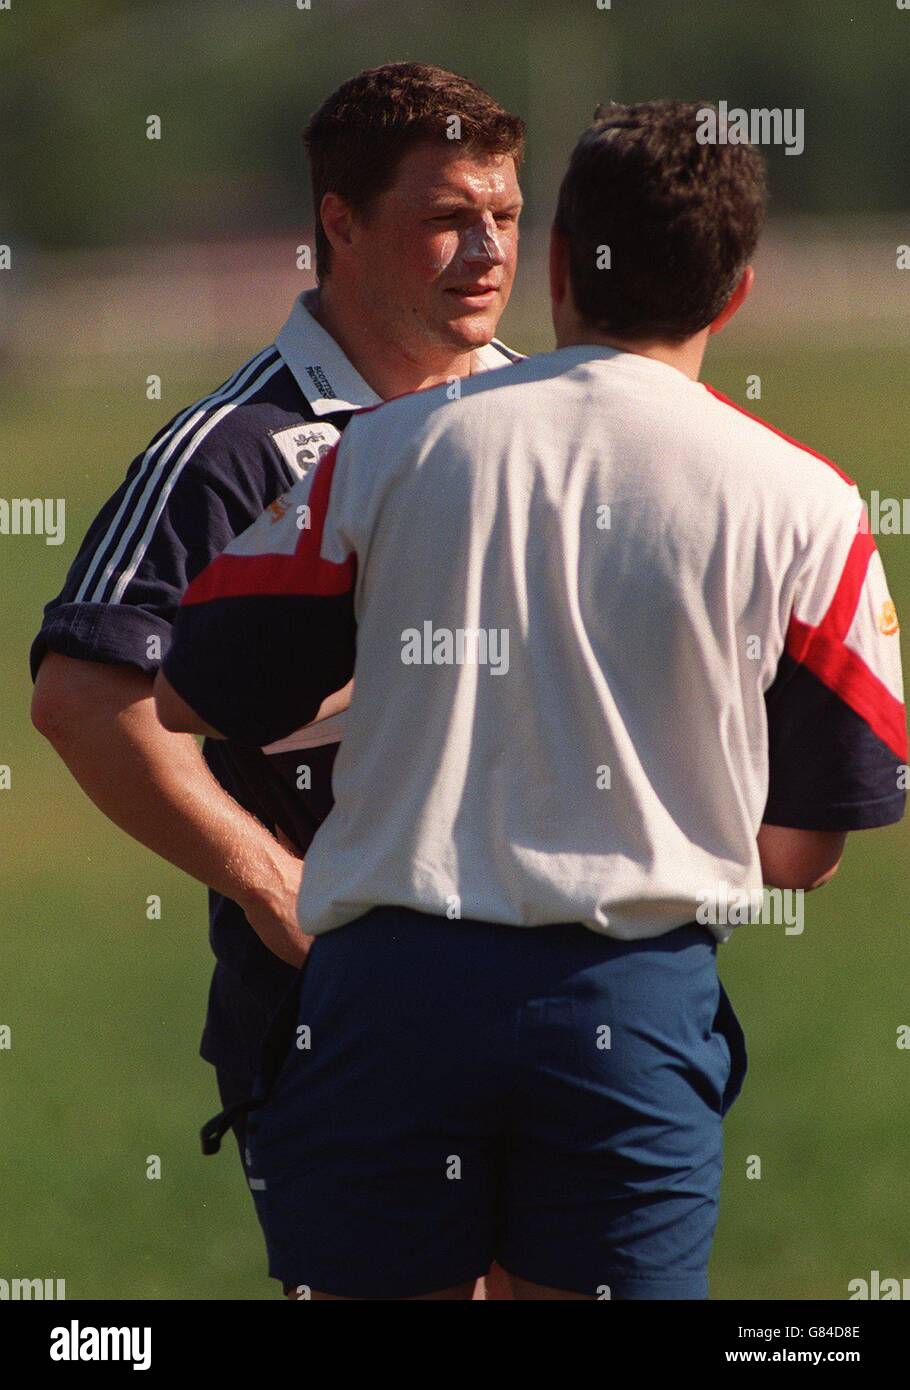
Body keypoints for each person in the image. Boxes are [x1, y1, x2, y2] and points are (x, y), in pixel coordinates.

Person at [154, 99, 906, 1301]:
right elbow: (807, 849)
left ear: (555, 261)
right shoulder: (810, 503)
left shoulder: (383, 448)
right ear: (737, 293)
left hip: (386, 995)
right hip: (631, 1005)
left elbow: (196, 691)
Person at [29, 62, 524, 1299]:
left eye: (506, 215)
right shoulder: (233, 449)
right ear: (340, 223)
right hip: (339, 1020)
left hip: (555, 1006)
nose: (486, 252)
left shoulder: (544, 417)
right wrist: (270, 885)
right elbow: (81, 697)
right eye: (447, 217)